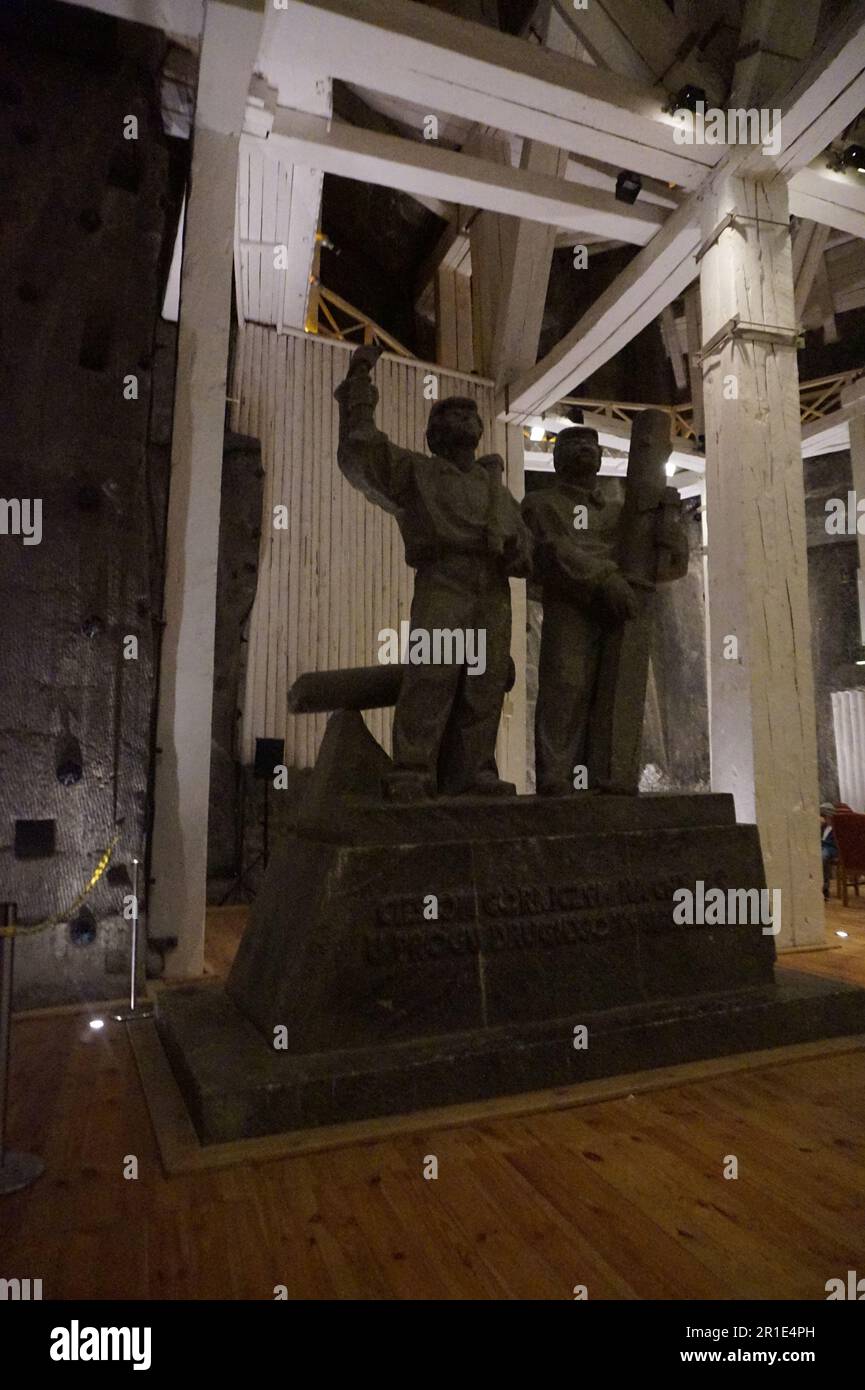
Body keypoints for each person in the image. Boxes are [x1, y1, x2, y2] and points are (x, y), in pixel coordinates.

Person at [334, 345, 532, 800]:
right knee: (434, 672)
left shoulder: (494, 489)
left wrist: (516, 551)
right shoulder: (417, 473)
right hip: (444, 579)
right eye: (450, 414)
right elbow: (363, 450)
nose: (464, 418)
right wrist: (360, 380)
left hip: (492, 587)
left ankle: (473, 770)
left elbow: (526, 548)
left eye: (469, 413)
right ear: (433, 435)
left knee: (485, 681)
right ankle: (413, 768)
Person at [821, 802, 838, 900]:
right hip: (821, 846)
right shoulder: (822, 826)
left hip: (831, 848)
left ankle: (825, 889)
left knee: (823, 857)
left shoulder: (837, 827)